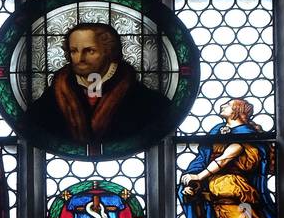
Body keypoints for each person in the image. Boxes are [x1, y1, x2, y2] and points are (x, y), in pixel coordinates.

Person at [24, 22, 174, 147]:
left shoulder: (145, 101)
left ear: (109, 52)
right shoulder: (51, 98)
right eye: (74, 51)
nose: (80, 58)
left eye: (89, 51)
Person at [178, 97, 275, 218]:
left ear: (237, 111)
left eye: (228, 104)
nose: (222, 105)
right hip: (220, 196)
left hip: (238, 194)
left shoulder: (243, 135)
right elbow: (204, 158)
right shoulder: (219, 132)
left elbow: (224, 159)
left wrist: (199, 177)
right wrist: (193, 184)